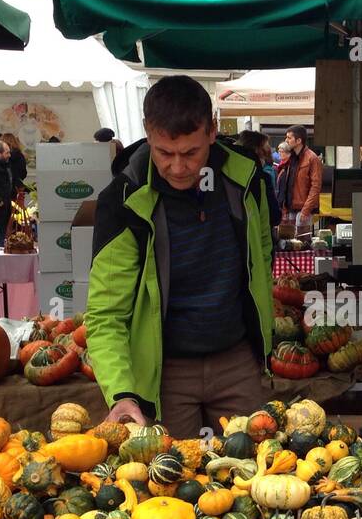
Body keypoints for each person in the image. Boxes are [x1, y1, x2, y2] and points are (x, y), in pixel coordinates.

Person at [85, 75, 272, 437]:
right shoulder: (124, 199)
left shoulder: (246, 180)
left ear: (213, 131)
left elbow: (260, 257)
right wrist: (121, 391)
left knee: (250, 476)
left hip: (236, 362)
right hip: (164, 372)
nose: (177, 167)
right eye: (164, 153)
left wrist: (262, 341)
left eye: (190, 153)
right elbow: (106, 312)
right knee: (176, 483)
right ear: (147, 132)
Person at [278, 124, 322, 231]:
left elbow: (316, 186)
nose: (286, 140)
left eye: (289, 137)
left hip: (303, 209)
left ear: (298, 141)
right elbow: (286, 185)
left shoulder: (312, 158)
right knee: (290, 243)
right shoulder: (290, 158)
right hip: (290, 208)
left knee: (302, 242)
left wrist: (306, 210)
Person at [235, 129, 282, 228]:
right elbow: (274, 216)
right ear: (257, 151)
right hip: (258, 235)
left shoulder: (229, 174)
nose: (267, 154)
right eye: (265, 150)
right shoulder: (261, 178)